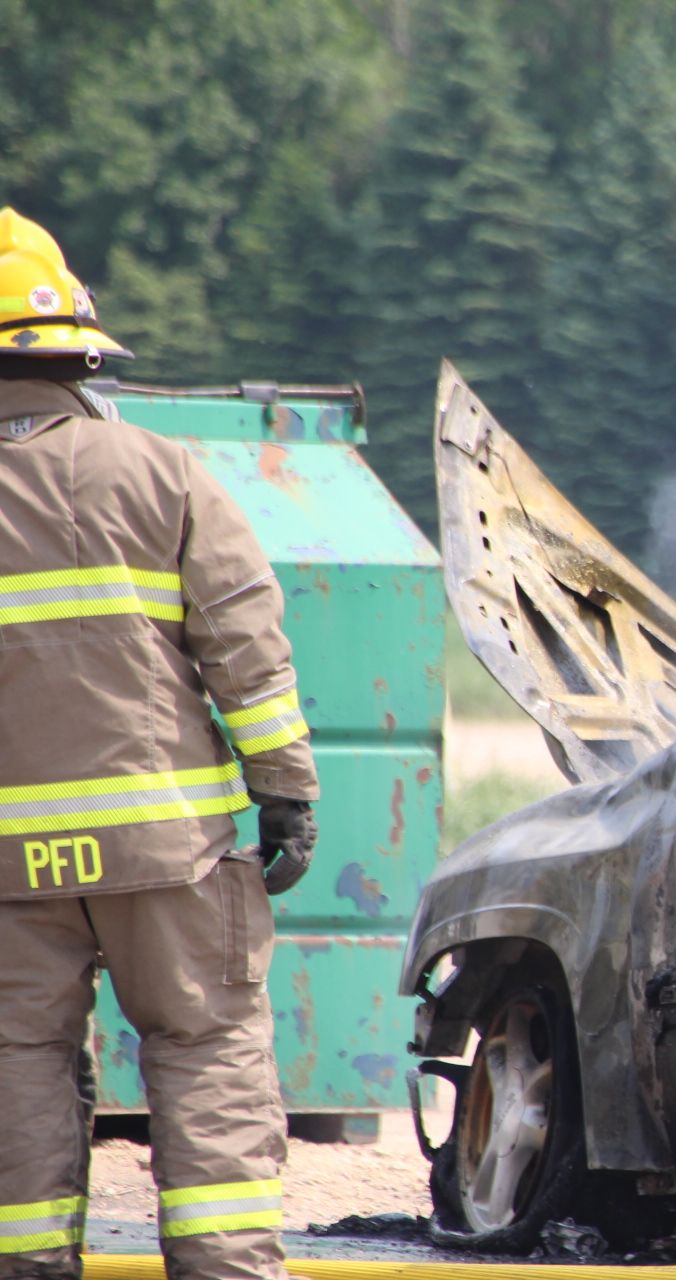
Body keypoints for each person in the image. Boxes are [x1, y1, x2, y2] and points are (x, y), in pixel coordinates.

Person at [0, 207, 319, 1280]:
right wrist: (287, 790)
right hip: (167, 852)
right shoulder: (164, 471)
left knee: (16, 1069)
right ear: (80, 348)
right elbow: (247, 644)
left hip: (7, 871)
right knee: (209, 1050)